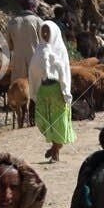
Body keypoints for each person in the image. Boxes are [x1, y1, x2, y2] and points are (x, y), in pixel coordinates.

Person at [30, 20, 75, 165]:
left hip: (57, 90)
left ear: (54, 32)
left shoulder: (60, 50)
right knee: (42, 120)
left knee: (58, 121)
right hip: (43, 90)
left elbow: (65, 72)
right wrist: (35, 89)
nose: (44, 34)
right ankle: (56, 145)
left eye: (47, 31)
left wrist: (65, 91)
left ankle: (56, 149)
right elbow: (33, 71)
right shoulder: (39, 49)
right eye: (42, 31)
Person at [6, 0, 42, 84]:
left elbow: (9, 46)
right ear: (33, 8)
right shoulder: (38, 22)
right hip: (35, 61)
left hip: (18, 62)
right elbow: (45, 43)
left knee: (17, 88)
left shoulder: (12, 22)